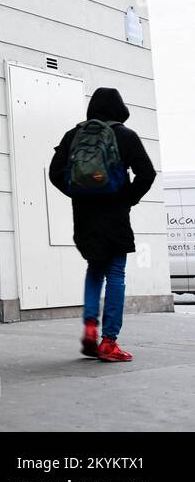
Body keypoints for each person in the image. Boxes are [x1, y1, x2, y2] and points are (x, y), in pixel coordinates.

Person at [49, 87, 156, 363]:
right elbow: (147, 173)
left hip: (84, 216)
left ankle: (89, 326)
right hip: (115, 214)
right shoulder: (125, 135)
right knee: (116, 273)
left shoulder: (74, 135)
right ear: (119, 109)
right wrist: (128, 198)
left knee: (95, 268)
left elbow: (54, 172)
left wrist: (77, 193)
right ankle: (109, 342)